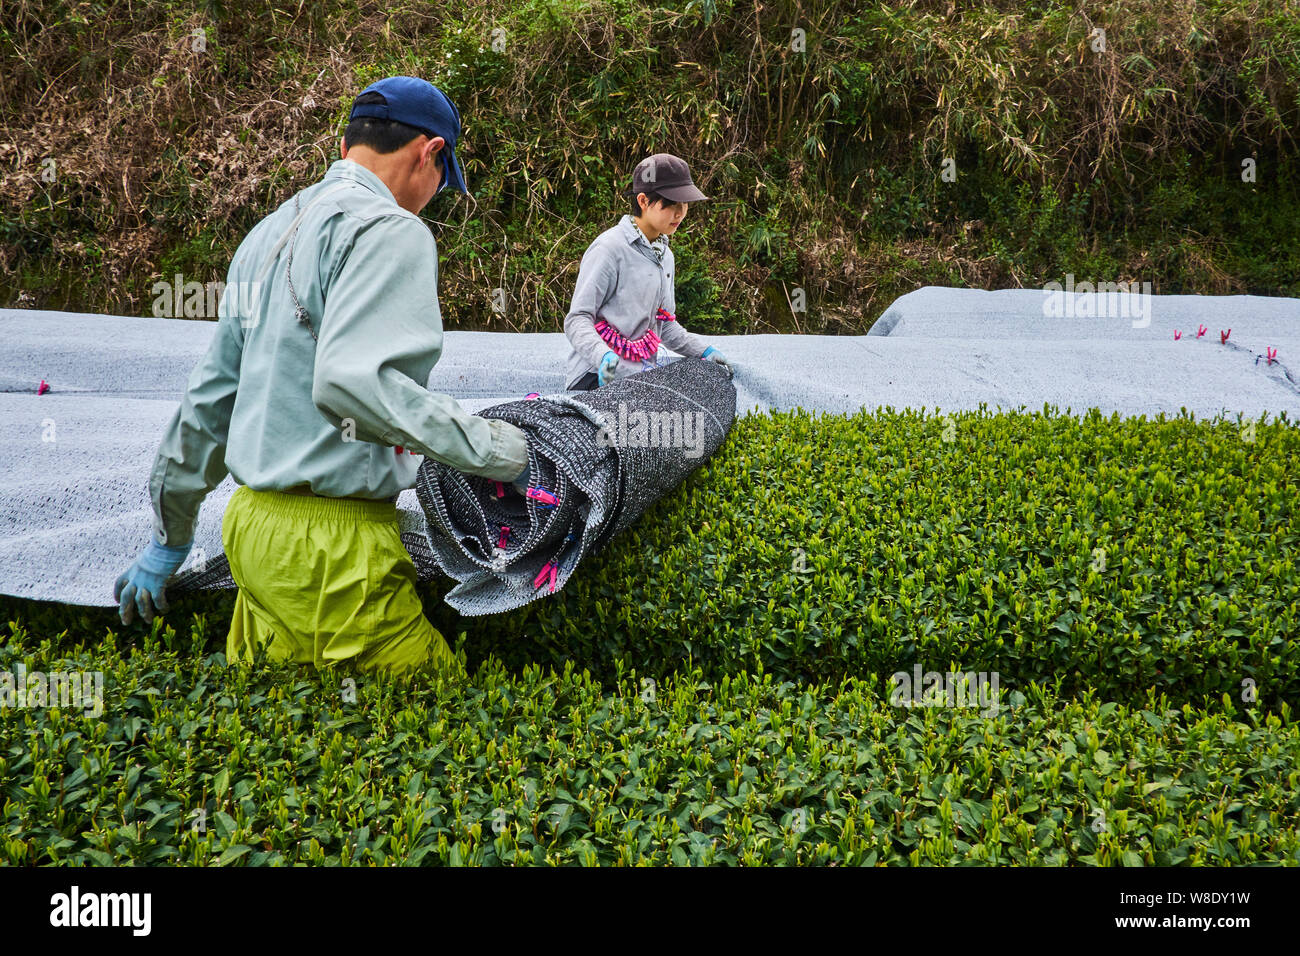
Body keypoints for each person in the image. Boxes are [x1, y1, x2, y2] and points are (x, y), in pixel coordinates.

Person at [113, 76, 534, 678]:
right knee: (439, 725)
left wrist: (169, 536)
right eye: (443, 178)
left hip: (254, 529)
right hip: (334, 550)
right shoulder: (391, 231)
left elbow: (210, 400)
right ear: (430, 153)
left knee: (283, 728)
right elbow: (354, 386)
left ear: (346, 148)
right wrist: (502, 452)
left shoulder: (268, 233)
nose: (434, 196)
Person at [563, 153, 733, 390]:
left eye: (684, 205)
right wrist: (602, 356)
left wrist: (704, 351)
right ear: (643, 201)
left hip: (641, 375)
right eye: (671, 204)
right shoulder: (610, 248)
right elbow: (577, 319)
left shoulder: (665, 256)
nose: (680, 213)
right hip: (595, 377)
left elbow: (666, 325)